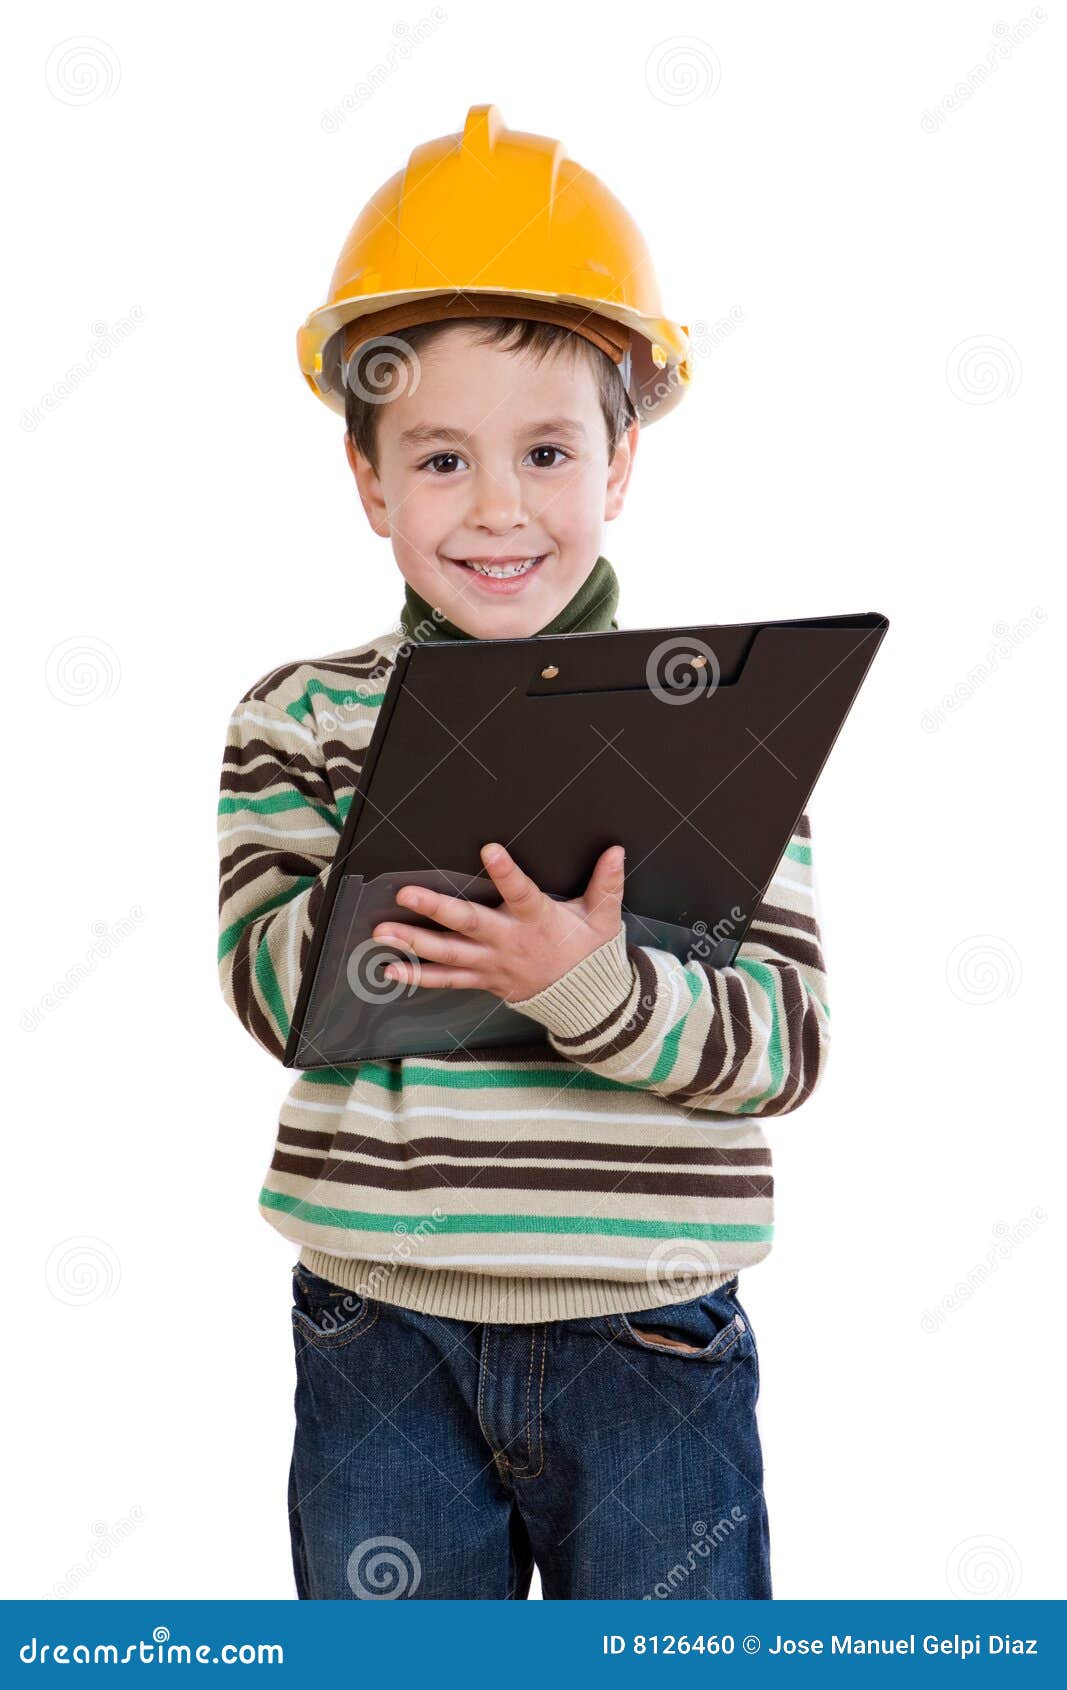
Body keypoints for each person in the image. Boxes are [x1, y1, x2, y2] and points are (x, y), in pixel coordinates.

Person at [216, 106, 830, 1601]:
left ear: (619, 464)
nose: (498, 508)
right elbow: (275, 1000)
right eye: (441, 459)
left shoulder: (721, 721)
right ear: (370, 480)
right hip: (381, 1325)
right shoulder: (299, 718)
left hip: (650, 1333)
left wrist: (586, 982)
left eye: (547, 451)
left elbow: (783, 1045)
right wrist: (415, 840)